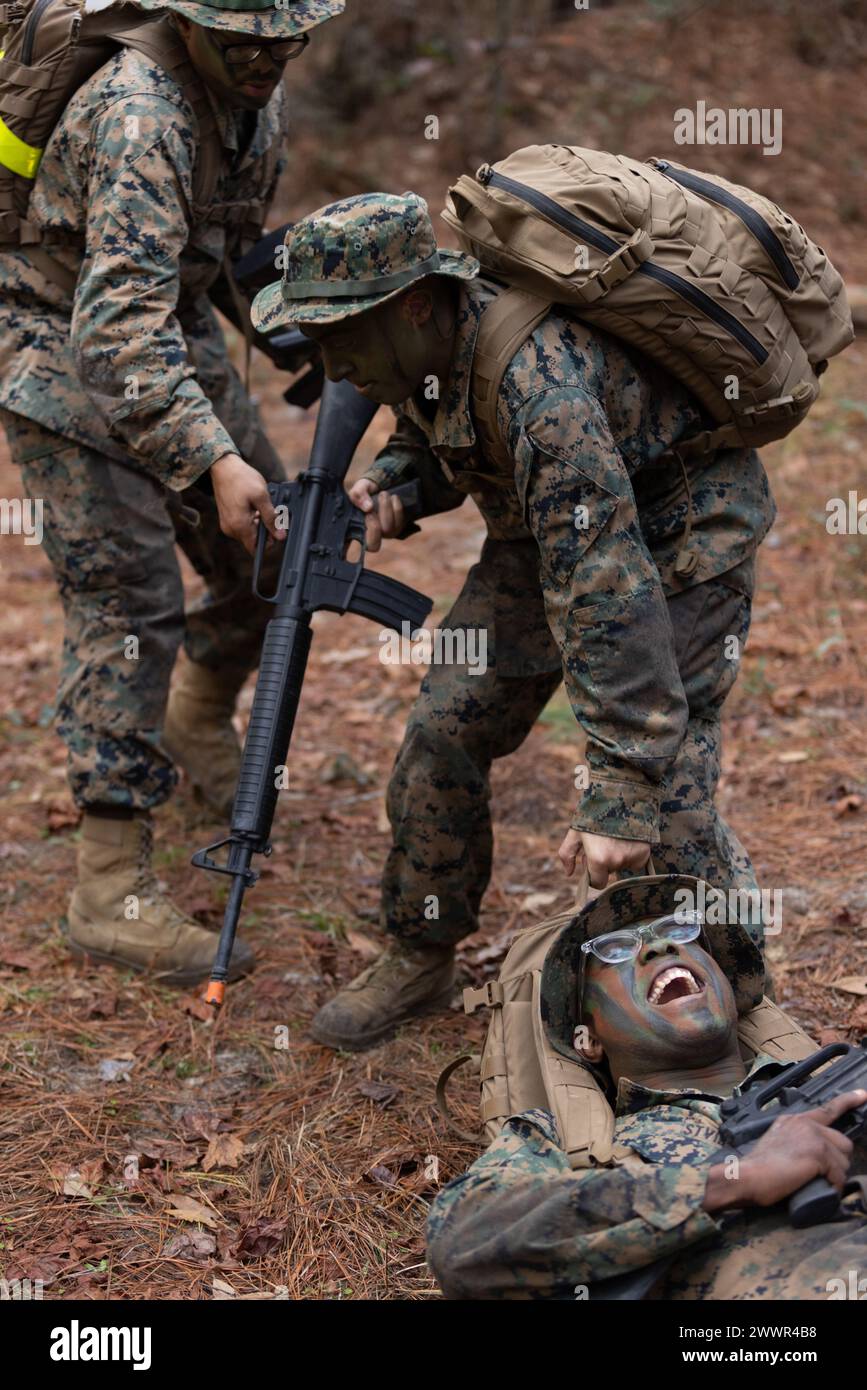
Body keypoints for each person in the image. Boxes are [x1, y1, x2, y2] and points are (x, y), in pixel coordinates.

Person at [251, 190, 776, 1050]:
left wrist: (615, 793)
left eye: (341, 340)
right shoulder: (432, 342)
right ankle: (423, 946)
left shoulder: (544, 391)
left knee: (666, 790)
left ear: (415, 304)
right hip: (553, 533)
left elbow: (607, 588)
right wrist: (395, 482)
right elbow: (440, 427)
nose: (333, 369)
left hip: (682, 534)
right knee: (443, 726)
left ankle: (735, 985)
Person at [0, 0, 345, 985]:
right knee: (129, 603)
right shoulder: (144, 113)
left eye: (286, 42)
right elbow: (111, 329)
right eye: (245, 41)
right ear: (189, 25)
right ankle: (108, 882)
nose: (267, 60)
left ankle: (196, 716)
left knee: (274, 546)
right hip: (56, 341)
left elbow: (207, 251)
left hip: (168, 328)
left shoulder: (250, 97)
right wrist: (209, 456)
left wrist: (297, 328)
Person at [425, 879, 867, 1300]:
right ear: (589, 1039)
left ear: (729, 988)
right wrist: (733, 1179)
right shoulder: (576, 1148)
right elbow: (461, 1240)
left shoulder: (839, 1076)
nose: (661, 945)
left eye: (679, 928)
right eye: (615, 950)